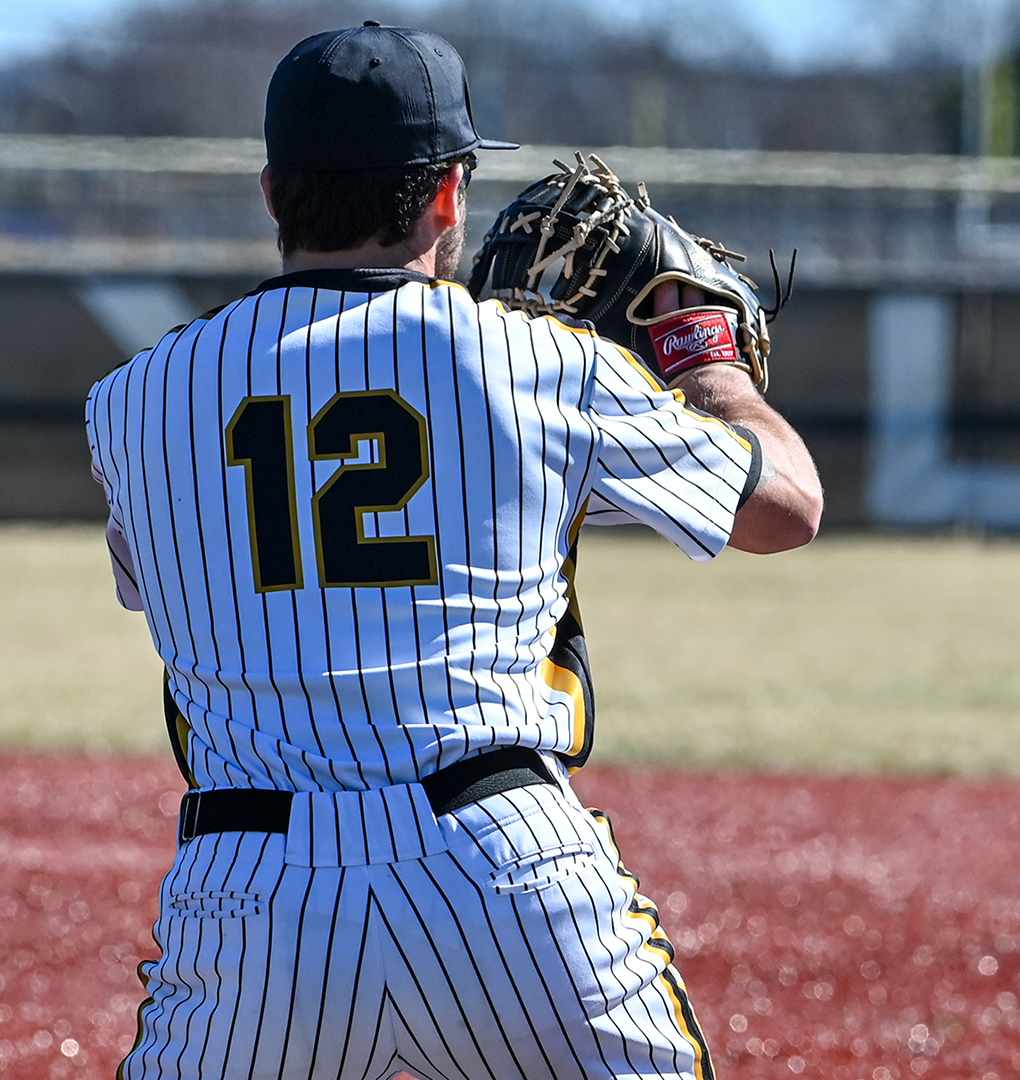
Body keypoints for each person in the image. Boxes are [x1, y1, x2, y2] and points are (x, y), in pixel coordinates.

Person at [85, 22, 821, 1080]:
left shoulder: (135, 403)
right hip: (506, 874)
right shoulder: (538, 363)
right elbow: (786, 506)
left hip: (251, 900)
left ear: (271, 192)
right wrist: (704, 359)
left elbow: (160, 578)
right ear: (447, 195)